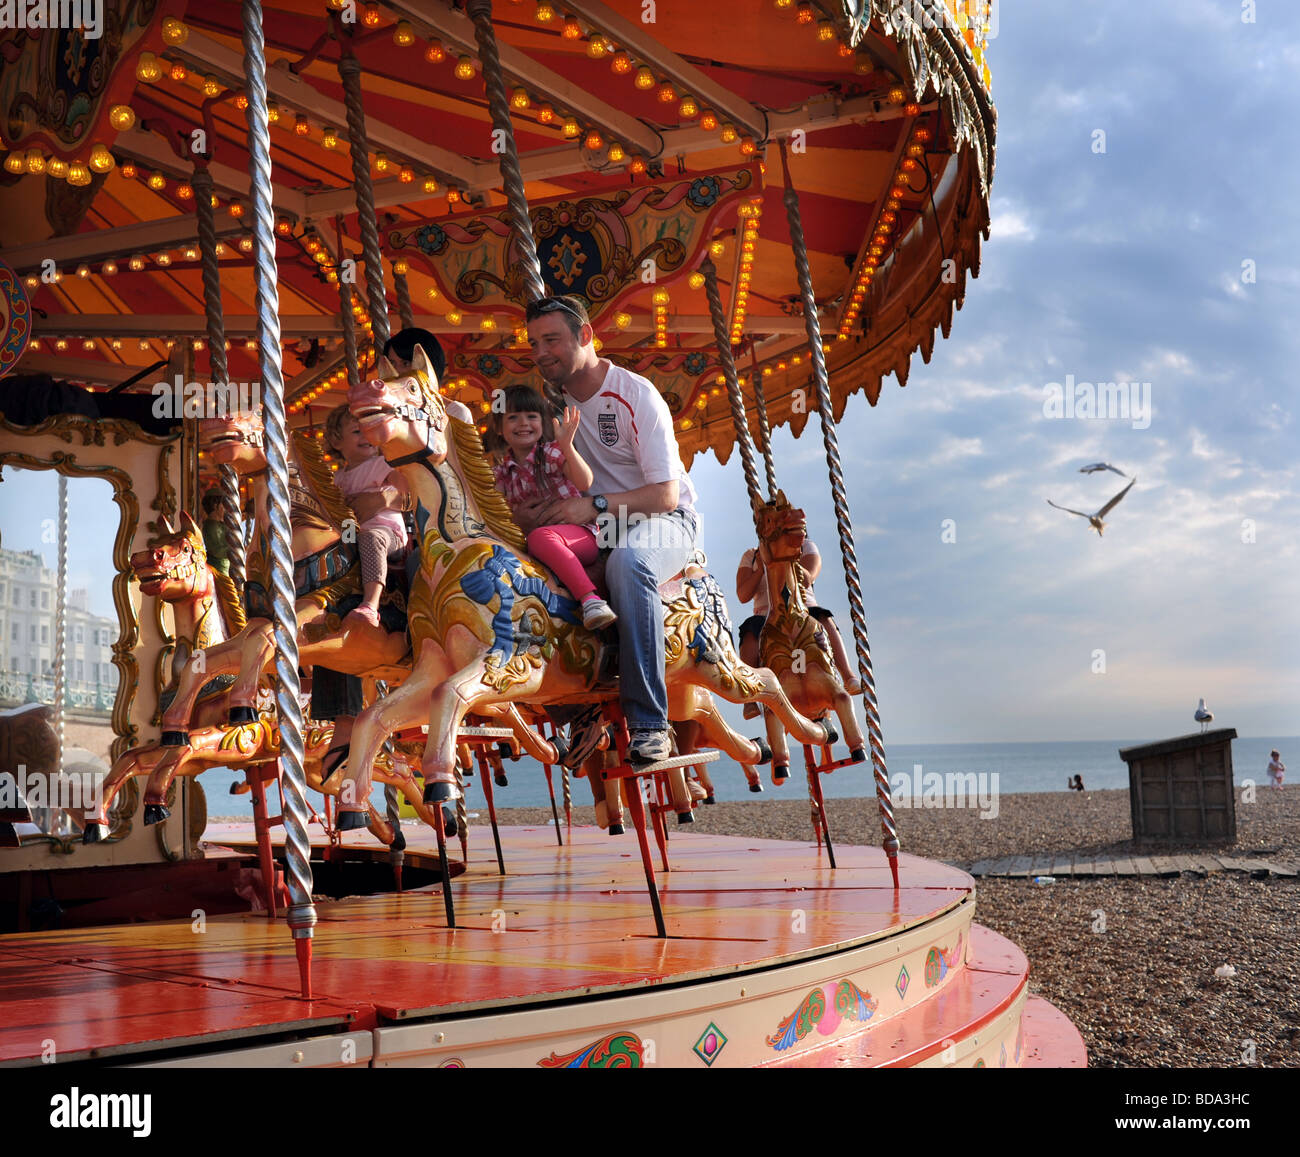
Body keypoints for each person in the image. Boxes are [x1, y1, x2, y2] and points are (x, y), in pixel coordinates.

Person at [522, 294, 699, 765]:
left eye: (552, 340)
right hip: (602, 521)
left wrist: (591, 505)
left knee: (630, 561)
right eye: (534, 343)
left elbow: (664, 494)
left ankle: (650, 725)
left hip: (664, 522)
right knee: (521, 564)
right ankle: (573, 706)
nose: (541, 352)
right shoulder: (553, 406)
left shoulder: (634, 394)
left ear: (585, 336)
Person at [491, 385, 616, 630]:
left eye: (531, 416)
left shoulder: (550, 454)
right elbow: (496, 515)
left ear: (543, 422)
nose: (523, 423)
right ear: (499, 427)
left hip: (580, 537)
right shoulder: (502, 473)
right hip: (537, 546)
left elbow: (584, 482)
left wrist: (567, 446)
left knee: (540, 537)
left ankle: (590, 599)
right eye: (512, 417)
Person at [735, 536, 863, 703]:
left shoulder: (806, 546)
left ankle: (848, 676)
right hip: (766, 613)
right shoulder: (751, 556)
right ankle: (749, 694)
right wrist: (760, 567)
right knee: (750, 633)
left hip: (803, 606)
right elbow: (743, 595)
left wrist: (788, 557)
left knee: (823, 619)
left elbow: (808, 578)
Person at [324, 404, 410, 628]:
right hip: (354, 531)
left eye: (369, 430)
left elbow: (409, 491)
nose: (366, 436)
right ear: (336, 441)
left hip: (388, 532)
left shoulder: (379, 465)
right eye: (356, 431)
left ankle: (370, 605)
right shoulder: (337, 478)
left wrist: (387, 497)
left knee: (370, 538)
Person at [200, 491, 231, 576]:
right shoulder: (211, 525)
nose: (225, 509)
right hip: (219, 569)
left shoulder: (220, 524)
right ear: (215, 505)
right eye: (223, 505)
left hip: (226, 566)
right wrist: (233, 550)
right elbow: (217, 551)